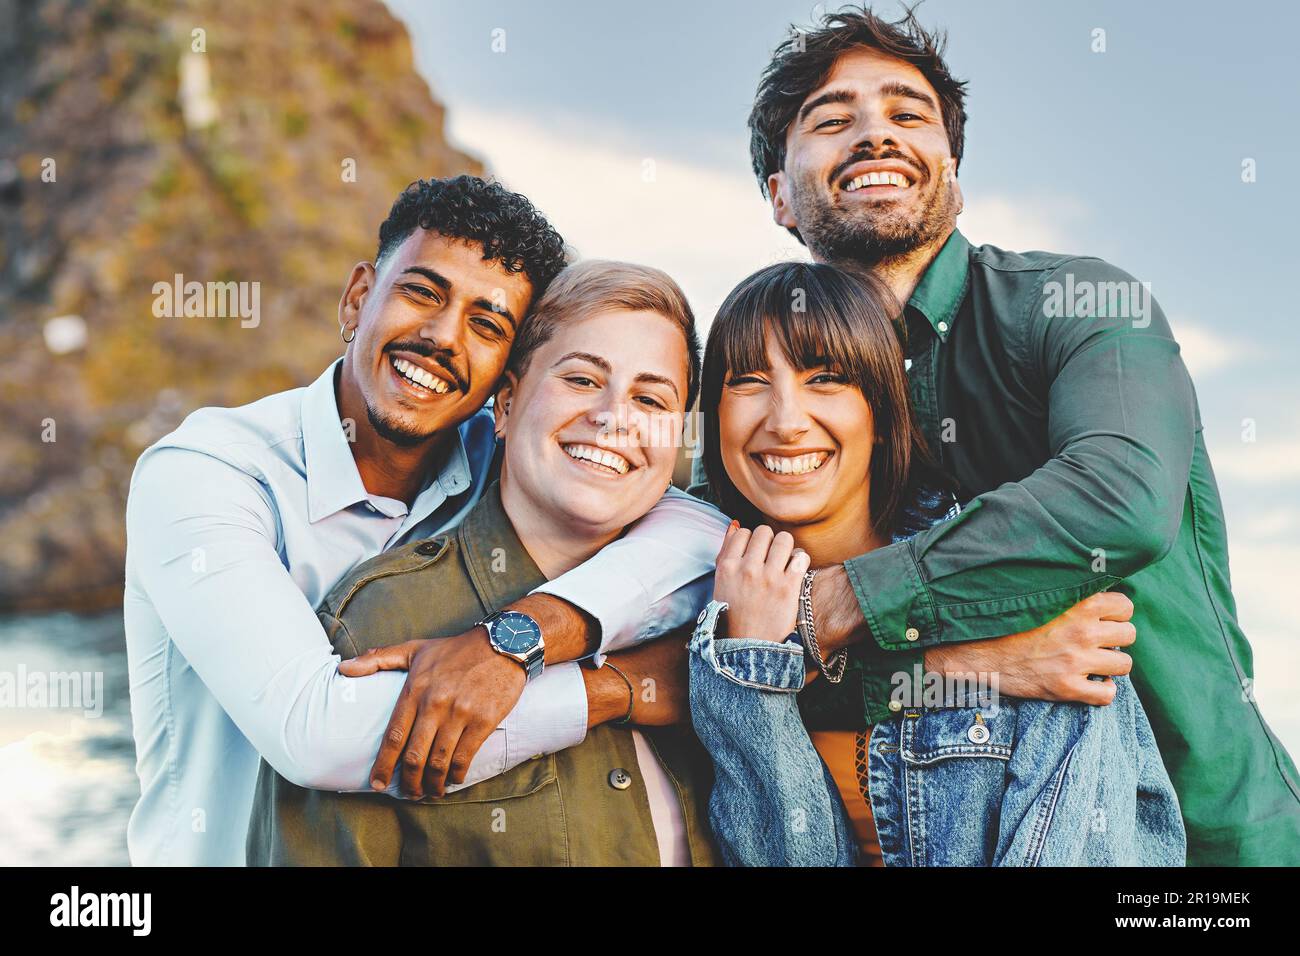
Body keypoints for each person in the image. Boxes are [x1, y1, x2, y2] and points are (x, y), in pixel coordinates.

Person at [705, 4, 1300, 864]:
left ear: (952, 169)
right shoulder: (767, 412)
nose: (876, 135)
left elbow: (1120, 501)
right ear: (779, 196)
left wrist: (841, 605)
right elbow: (743, 661)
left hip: (1215, 842)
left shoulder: (1085, 307)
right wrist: (983, 661)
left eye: (909, 115)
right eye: (833, 121)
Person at [123, 177, 727, 865]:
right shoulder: (211, 473)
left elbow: (694, 527)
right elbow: (312, 733)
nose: (442, 338)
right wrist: (612, 688)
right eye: (423, 293)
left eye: (488, 324)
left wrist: (520, 637)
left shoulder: (489, 448)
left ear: (505, 377)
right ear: (357, 299)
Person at [688, 260, 1184, 865]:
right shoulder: (689, 594)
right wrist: (750, 664)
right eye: (747, 380)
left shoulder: (1028, 613)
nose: (787, 421)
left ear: (880, 415)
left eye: (826, 378)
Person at [246, 260, 719, 866]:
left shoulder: (716, 609)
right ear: (506, 403)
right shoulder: (379, 622)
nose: (613, 418)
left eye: (650, 398)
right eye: (580, 380)